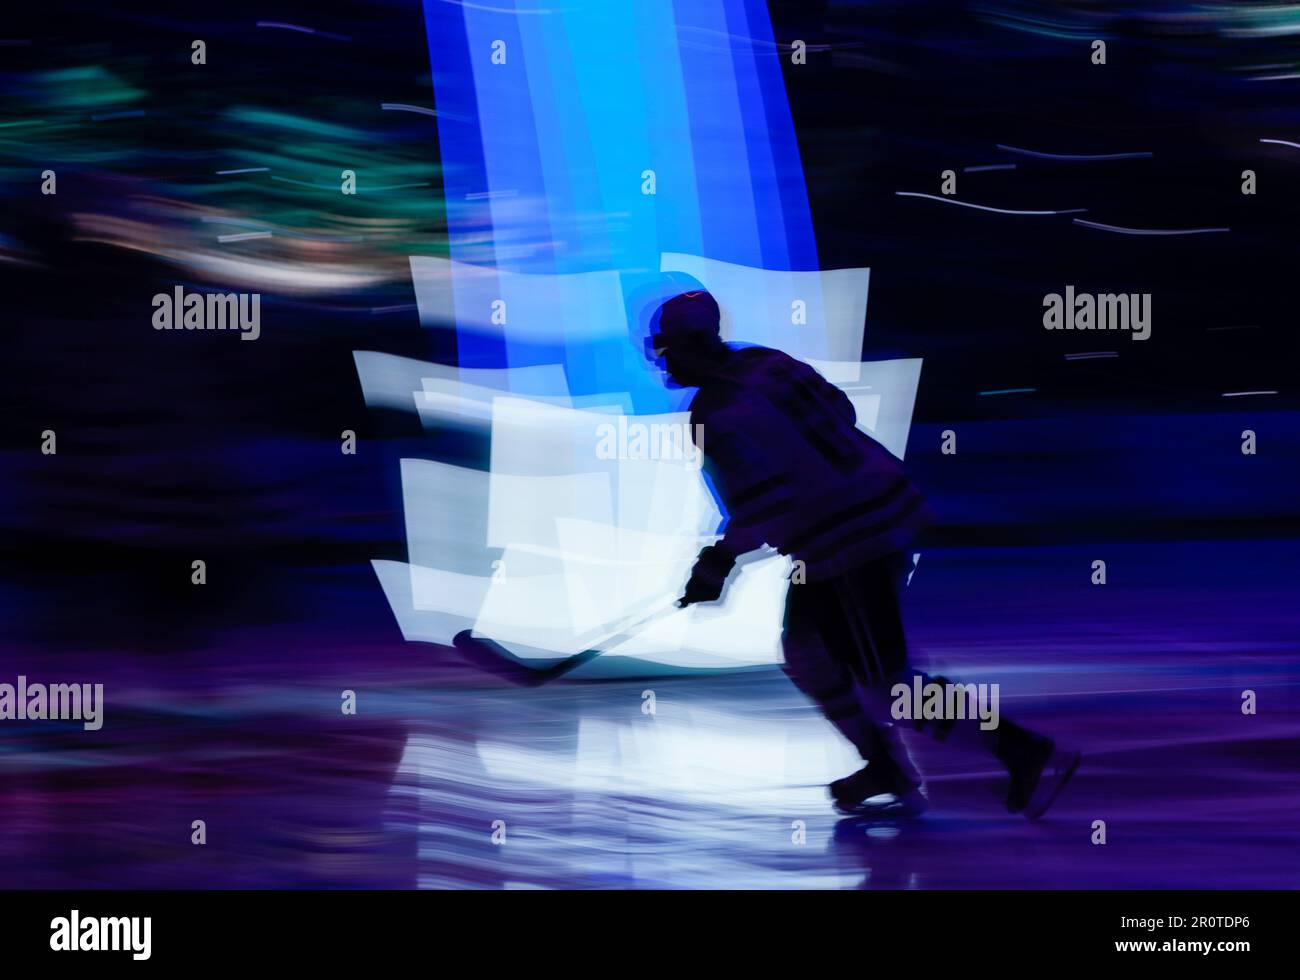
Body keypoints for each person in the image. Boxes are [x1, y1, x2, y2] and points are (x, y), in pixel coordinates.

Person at [647, 288, 1080, 819]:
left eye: (669, 351)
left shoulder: (712, 412)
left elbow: (763, 503)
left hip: (847, 543)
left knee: (887, 684)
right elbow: (840, 412)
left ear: (693, 343)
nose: (666, 364)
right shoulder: (767, 362)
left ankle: (1020, 749)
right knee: (808, 653)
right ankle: (886, 765)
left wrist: (717, 563)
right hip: (870, 521)